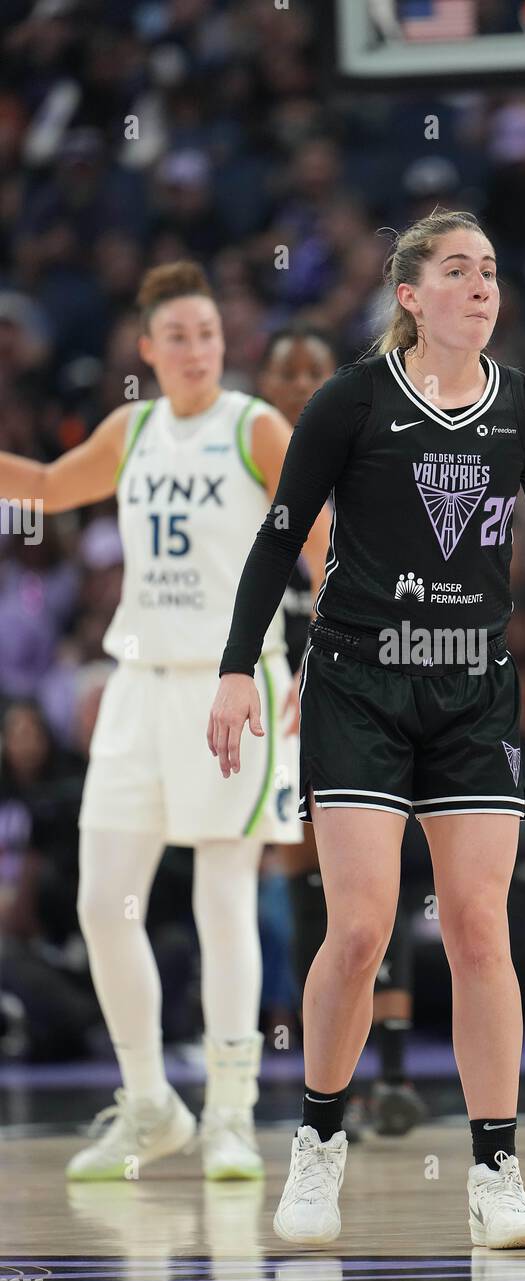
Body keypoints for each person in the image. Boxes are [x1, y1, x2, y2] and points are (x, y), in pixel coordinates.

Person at [209, 210, 525, 1249]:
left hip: (470, 693)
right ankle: (318, 1143)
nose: (481, 285)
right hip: (360, 686)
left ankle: (495, 1171)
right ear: (409, 295)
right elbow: (281, 536)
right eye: (456, 270)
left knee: (476, 929)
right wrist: (237, 667)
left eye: (491, 270)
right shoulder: (349, 400)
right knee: (361, 926)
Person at [0, 261, 331, 1181]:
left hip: (234, 683)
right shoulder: (132, 428)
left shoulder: (254, 427)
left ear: (226, 347)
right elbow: (49, 486)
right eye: (177, 335)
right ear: (146, 350)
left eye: (210, 334)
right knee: (103, 902)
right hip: (139, 683)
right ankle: (149, 1103)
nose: (195, 349)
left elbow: (327, 548)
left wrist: (324, 660)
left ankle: (230, 1112)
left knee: (221, 897)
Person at [257, 323, 428, 1139]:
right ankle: (325, 1077)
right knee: (304, 884)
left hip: (351, 686)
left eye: (311, 370)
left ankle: (388, 1077)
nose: (296, 383)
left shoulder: (360, 450)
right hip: (273, 697)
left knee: (373, 889)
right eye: (283, 372)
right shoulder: (249, 459)